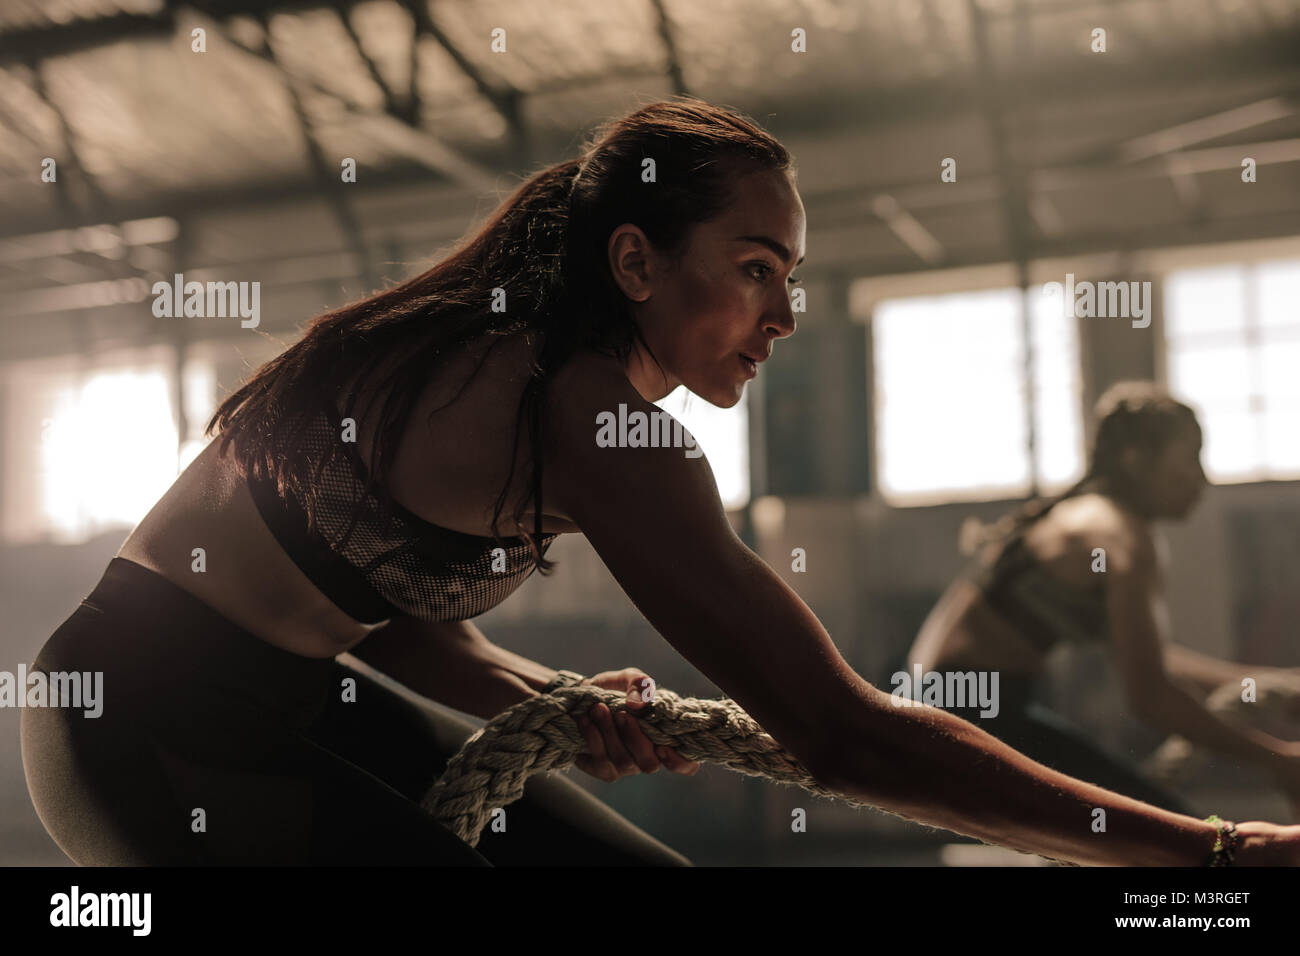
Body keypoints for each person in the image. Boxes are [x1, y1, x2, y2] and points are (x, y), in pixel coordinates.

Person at [20, 97, 1300, 866]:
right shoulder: (587, 418)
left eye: (790, 274)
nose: (785, 311)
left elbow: (358, 581)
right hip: (137, 716)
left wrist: (543, 690)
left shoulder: (542, 380)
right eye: (755, 265)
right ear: (634, 259)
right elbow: (841, 732)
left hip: (300, 691)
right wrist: (1213, 849)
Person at [907, 382, 1300, 820]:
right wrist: (1277, 762)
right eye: (1190, 458)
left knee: (1140, 832)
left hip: (951, 709)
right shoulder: (1121, 539)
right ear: (1136, 460)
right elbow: (1150, 695)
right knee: (1172, 841)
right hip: (969, 719)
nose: (1201, 478)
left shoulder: (1090, 519)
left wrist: (1270, 687)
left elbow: (1147, 661)